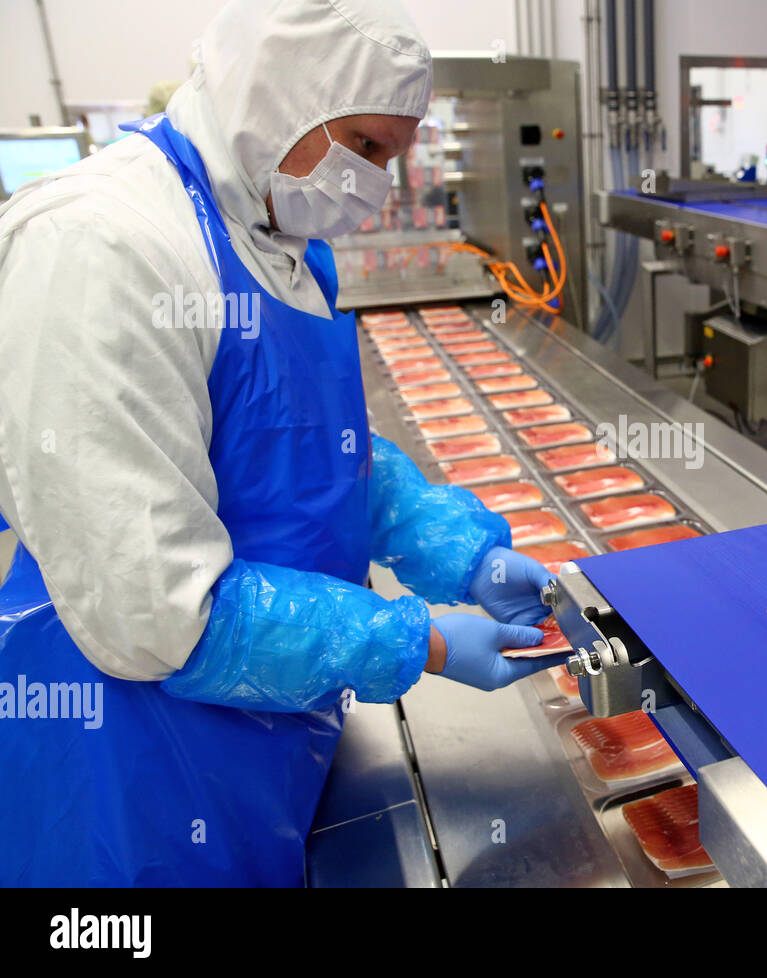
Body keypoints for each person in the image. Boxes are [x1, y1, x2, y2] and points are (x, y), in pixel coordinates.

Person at [0, 0, 565, 886]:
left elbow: (326, 460)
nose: (378, 184)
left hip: (278, 724)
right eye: (367, 148)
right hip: (133, 768)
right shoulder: (103, 247)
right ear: (278, 97)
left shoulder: (282, 237)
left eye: (396, 155)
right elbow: (156, 618)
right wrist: (416, 643)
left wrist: (461, 555)